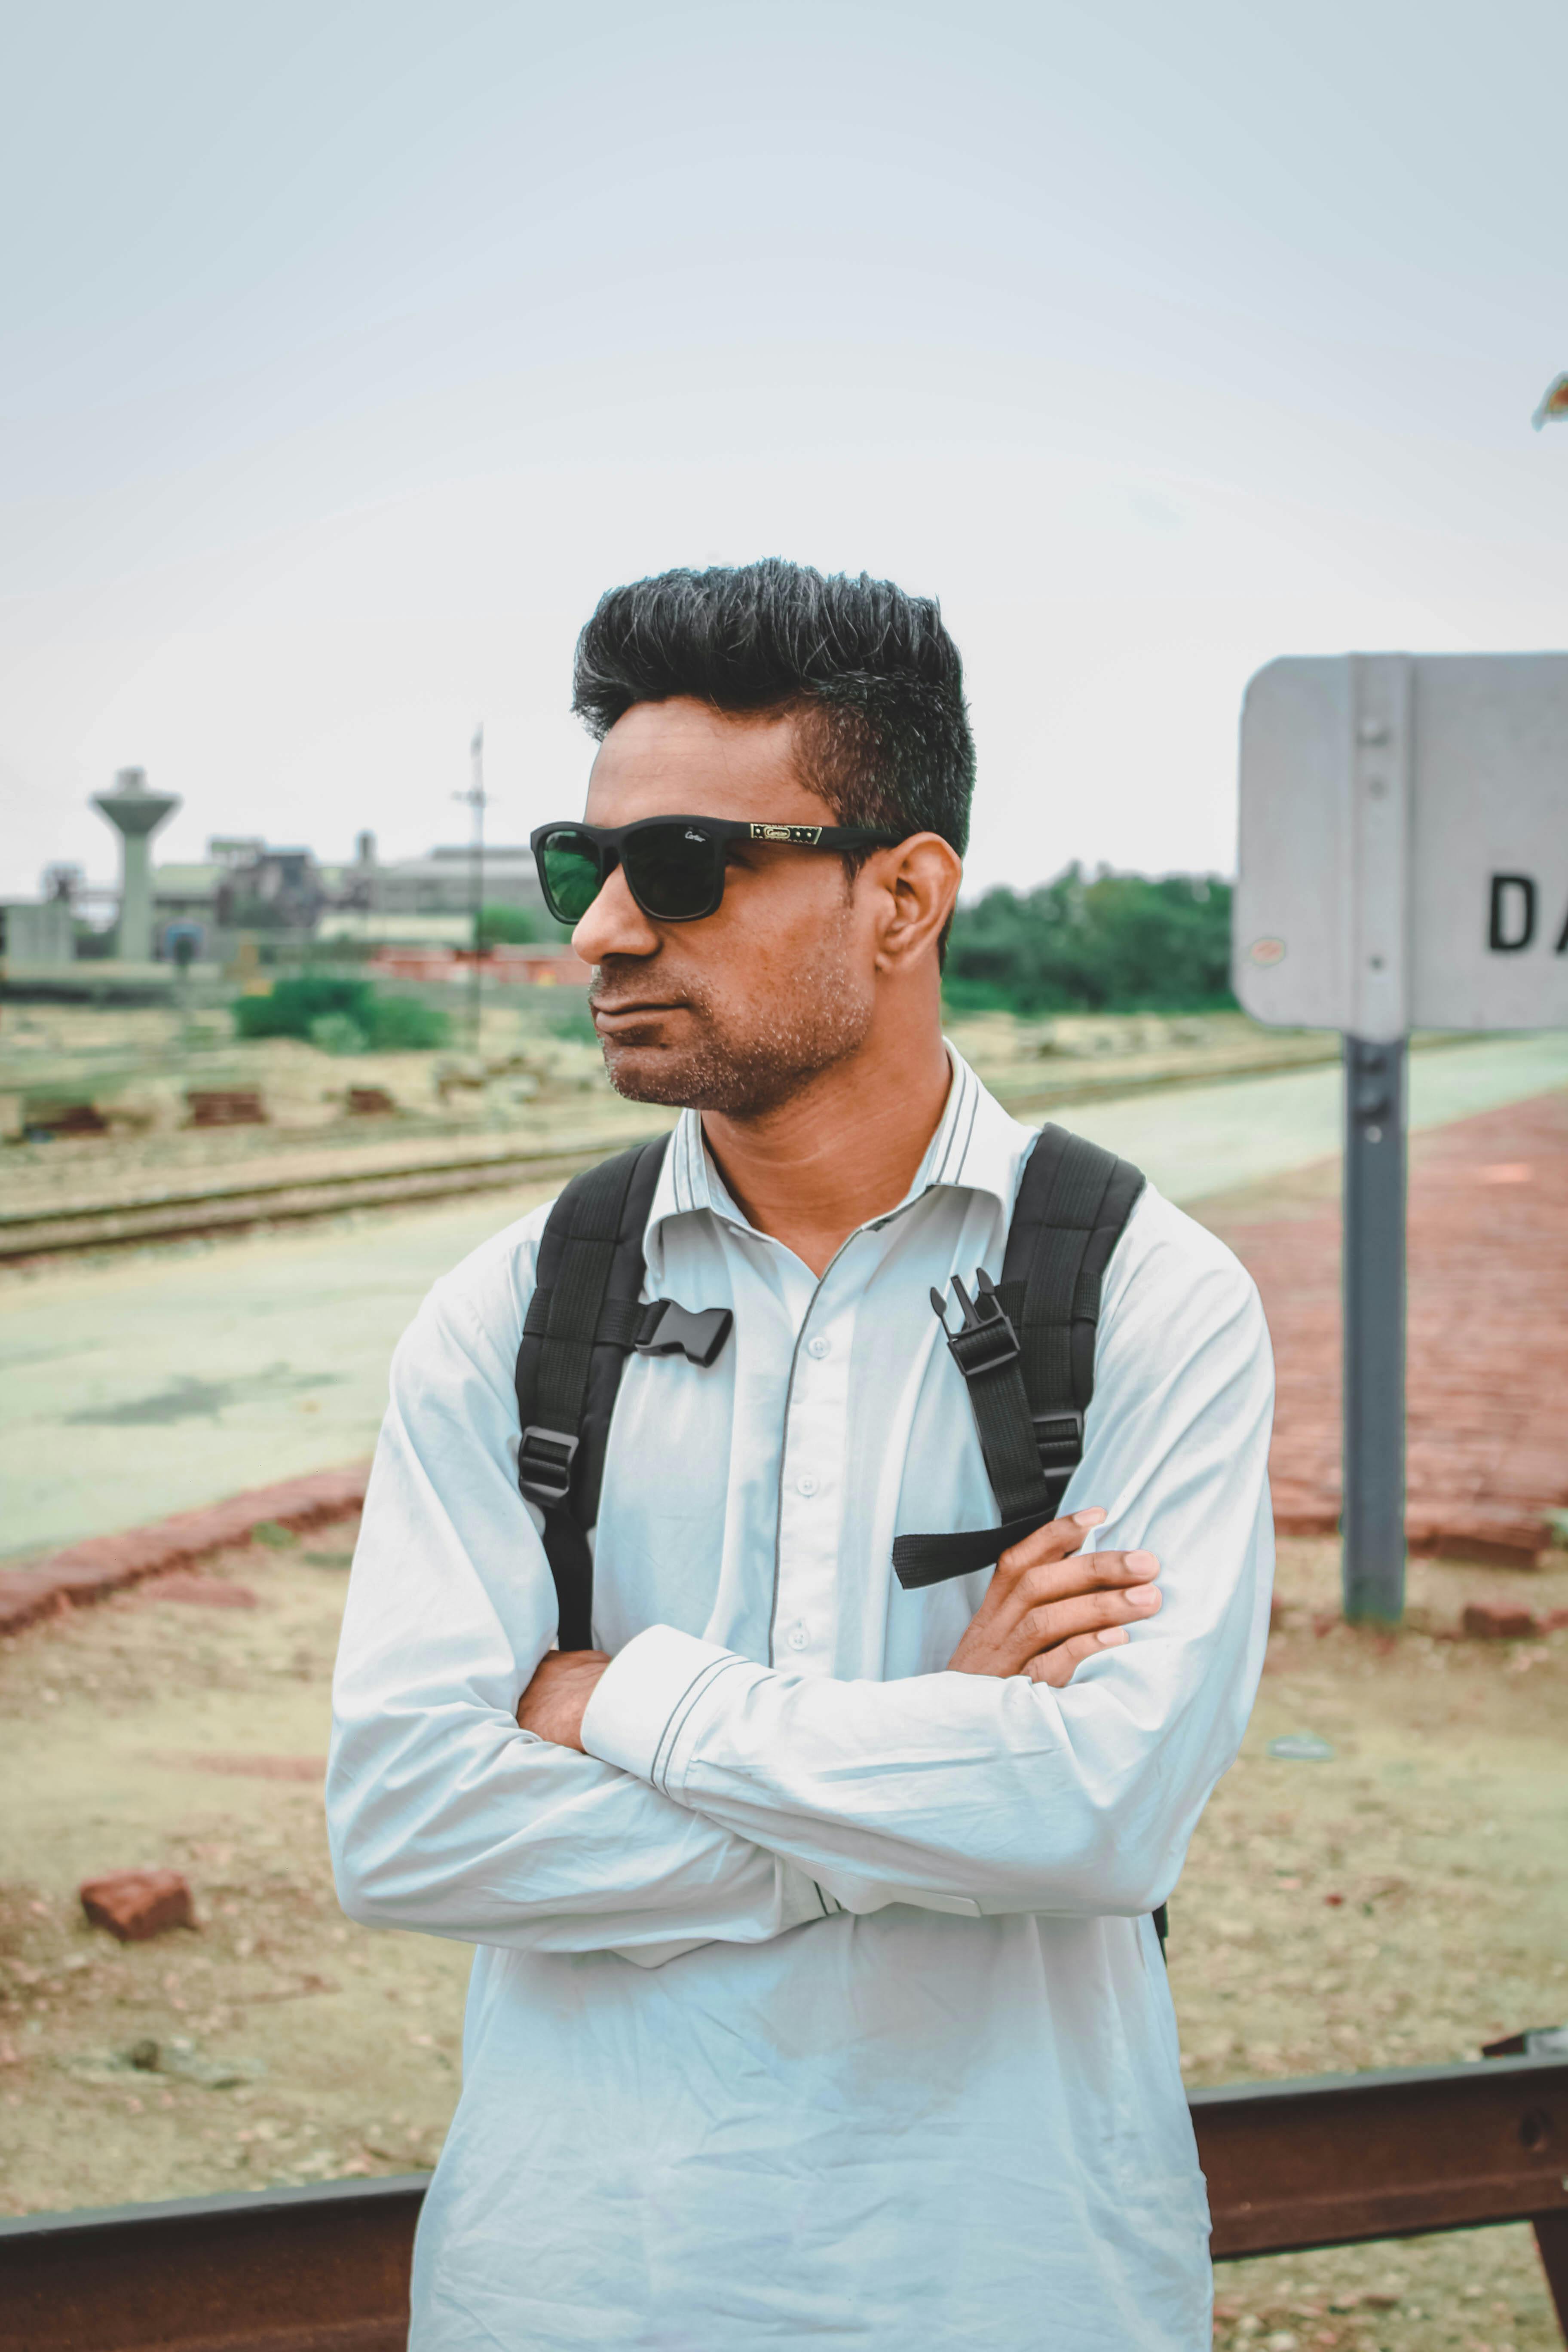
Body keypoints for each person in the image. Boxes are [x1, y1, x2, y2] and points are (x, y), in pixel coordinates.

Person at [327, 559, 1274, 2352]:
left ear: (906, 892)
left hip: (1013, 2281)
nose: (600, 931)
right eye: (578, 866)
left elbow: (1100, 1815)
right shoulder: (514, 1309)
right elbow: (404, 1825)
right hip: (578, 2286)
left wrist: (621, 1707)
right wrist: (928, 1787)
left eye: (680, 868)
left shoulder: (1147, 1297)